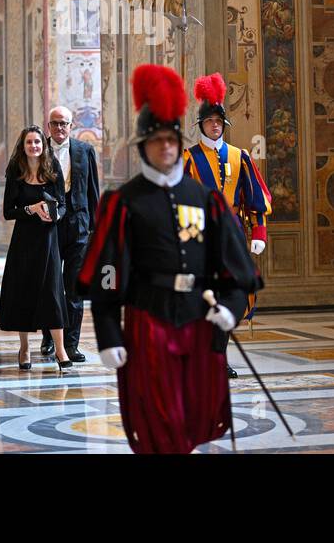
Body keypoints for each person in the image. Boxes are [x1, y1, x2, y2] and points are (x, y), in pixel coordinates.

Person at [78, 64, 261, 454]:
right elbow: (107, 273)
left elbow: (234, 263)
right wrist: (109, 333)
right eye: (157, 140)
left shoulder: (204, 199)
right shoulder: (123, 202)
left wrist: (230, 306)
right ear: (143, 145)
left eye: (171, 139)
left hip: (198, 319)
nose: (166, 147)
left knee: (194, 413)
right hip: (149, 320)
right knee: (160, 415)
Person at [181, 73, 272, 378]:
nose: (215, 125)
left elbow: (254, 197)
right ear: (201, 125)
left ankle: (219, 355)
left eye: (219, 120)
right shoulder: (189, 158)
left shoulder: (240, 156)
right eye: (209, 121)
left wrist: (258, 231)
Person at [0, 126, 72, 371]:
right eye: (29, 142)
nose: (34, 146)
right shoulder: (16, 172)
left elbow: (62, 204)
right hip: (24, 241)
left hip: (49, 239)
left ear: (43, 145)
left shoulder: (53, 170)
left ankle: (60, 350)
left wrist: (56, 215)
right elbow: (8, 211)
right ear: (23, 146)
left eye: (38, 142)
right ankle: (25, 347)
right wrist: (31, 209)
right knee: (24, 292)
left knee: (52, 292)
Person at [40, 107, 100, 362]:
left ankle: (72, 344)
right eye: (55, 124)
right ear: (49, 126)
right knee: (49, 286)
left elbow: (93, 190)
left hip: (78, 226)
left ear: (71, 125)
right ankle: (49, 338)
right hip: (49, 227)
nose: (59, 128)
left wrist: (95, 227)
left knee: (74, 288)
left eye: (64, 123)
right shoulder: (38, 149)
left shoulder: (85, 151)